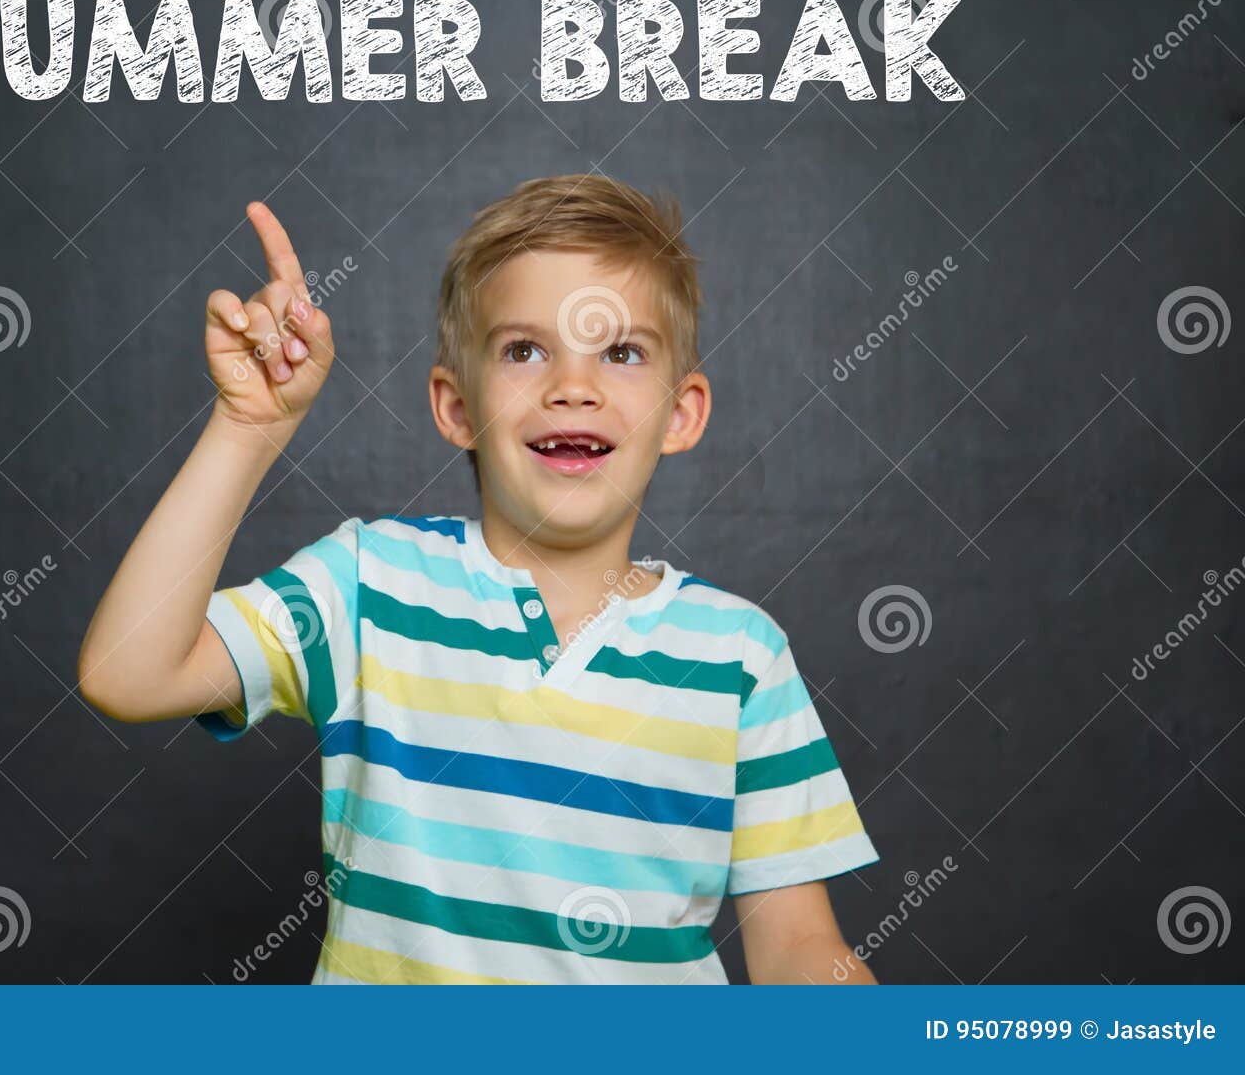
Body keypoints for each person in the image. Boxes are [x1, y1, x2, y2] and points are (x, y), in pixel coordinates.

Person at [78, 174, 880, 983]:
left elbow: (799, 949)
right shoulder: (368, 587)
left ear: (681, 414)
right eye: (525, 350)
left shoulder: (741, 657)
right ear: (456, 406)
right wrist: (249, 427)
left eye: (623, 352)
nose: (574, 385)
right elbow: (128, 673)